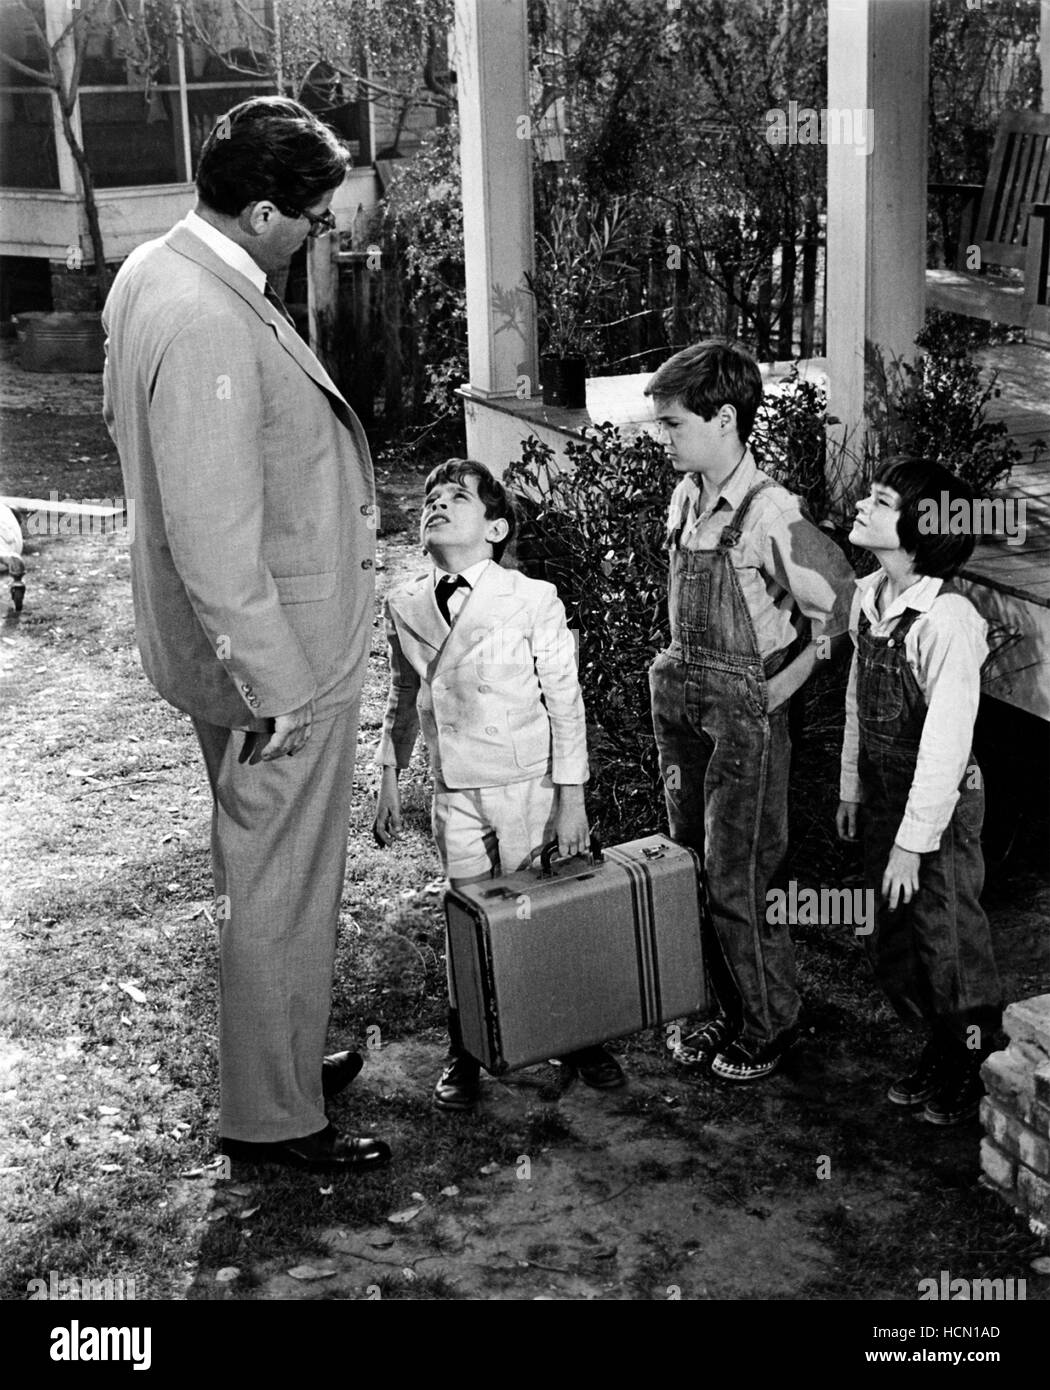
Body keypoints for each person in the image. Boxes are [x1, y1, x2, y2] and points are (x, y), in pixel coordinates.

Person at [102, 97, 390, 1173]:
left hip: (216, 649)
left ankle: (281, 1055)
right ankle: (276, 1117)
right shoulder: (212, 318)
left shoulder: (150, 272)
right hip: (275, 661)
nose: (320, 233)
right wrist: (278, 686)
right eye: (311, 218)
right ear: (262, 209)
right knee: (279, 882)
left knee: (262, 872)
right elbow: (217, 543)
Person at [372, 458, 626, 1110]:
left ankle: (577, 1034)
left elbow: (566, 704)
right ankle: (467, 1047)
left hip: (528, 787)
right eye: (430, 496)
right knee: (466, 916)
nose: (436, 504)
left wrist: (571, 799)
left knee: (543, 909)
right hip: (454, 793)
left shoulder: (530, 598)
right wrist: (389, 774)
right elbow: (403, 696)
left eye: (456, 497)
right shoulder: (404, 603)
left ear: (494, 528)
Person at [646, 340, 855, 1081]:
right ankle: (718, 1009)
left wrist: (780, 687)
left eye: (672, 424)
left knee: (741, 873)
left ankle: (771, 1022)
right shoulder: (686, 496)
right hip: (686, 709)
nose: (661, 437)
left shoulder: (772, 514)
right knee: (691, 862)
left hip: (744, 716)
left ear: (725, 418)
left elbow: (843, 610)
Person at [837, 457, 1001, 1126]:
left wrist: (914, 843)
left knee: (948, 933)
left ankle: (976, 1056)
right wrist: (851, 786)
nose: (860, 505)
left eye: (878, 501)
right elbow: (855, 699)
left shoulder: (947, 620)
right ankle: (941, 1040)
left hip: (937, 805)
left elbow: (945, 746)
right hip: (885, 794)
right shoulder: (869, 596)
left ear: (916, 530)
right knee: (897, 934)